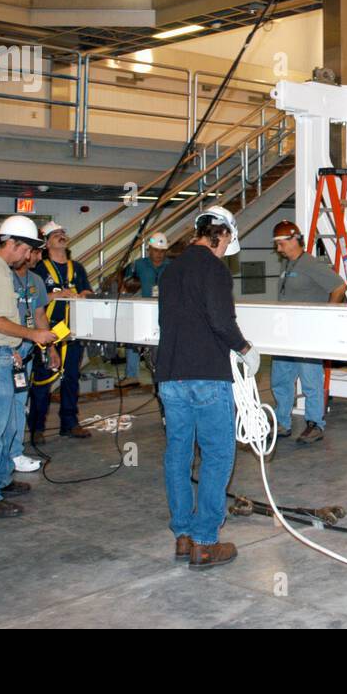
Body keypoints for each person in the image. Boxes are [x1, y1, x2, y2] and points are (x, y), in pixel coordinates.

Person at [155, 205, 259, 569]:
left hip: (170, 375)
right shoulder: (214, 268)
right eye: (228, 239)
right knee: (217, 455)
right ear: (223, 234)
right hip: (207, 376)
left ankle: (183, 535)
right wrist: (246, 349)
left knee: (178, 455)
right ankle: (204, 542)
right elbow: (220, 318)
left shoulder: (169, 270)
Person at [0, 216, 57, 517]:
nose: (29, 256)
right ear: (13, 244)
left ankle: (1, 480)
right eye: (27, 249)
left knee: (3, 425)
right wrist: (34, 335)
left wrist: (12, 349)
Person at [269, 219, 346, 444]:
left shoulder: (311, 264)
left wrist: (326, 314)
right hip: (285, 334)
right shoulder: (287, 265)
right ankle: (282, 422)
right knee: (281, 379)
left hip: (307, 333)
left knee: (310, 379)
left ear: (295, 239)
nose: (278, 248)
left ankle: (315, 424)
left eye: (281, 243)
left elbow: (339, 286)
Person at [29, 221, 93, 441]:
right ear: (46, 243)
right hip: (48, 330)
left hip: (72, 330)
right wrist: (55, 295)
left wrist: (81, 295)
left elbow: (87, 289)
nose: (61, 236)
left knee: (71, 378)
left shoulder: (77, 267)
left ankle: (70, 423)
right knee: (43, 380)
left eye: (63, 233)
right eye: (55, 234)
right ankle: (37, 427)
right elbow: (32, 300)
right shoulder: (38, 270)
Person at [11, 248, 55, 472]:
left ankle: (15, 453)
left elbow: (39, 316)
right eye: (35, 253)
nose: (38, 258)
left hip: (26, 354)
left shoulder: (35, 280)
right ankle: (2, 455)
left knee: (20, 404)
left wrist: (51, 347)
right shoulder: (1, 278)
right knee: (2, 408)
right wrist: (9, 348)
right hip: (5, 353)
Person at [118, 232, 170, 389]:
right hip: (142, 308)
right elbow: (122, 275)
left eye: (162, 251)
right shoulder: (139, 264)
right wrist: (124, 291)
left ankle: (161, 376)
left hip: (163, 309)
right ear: (149, 249)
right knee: (133, 340)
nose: (159, 254)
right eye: (155, 250)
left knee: (160, 344)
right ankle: (132, 375)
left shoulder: (171, 266)